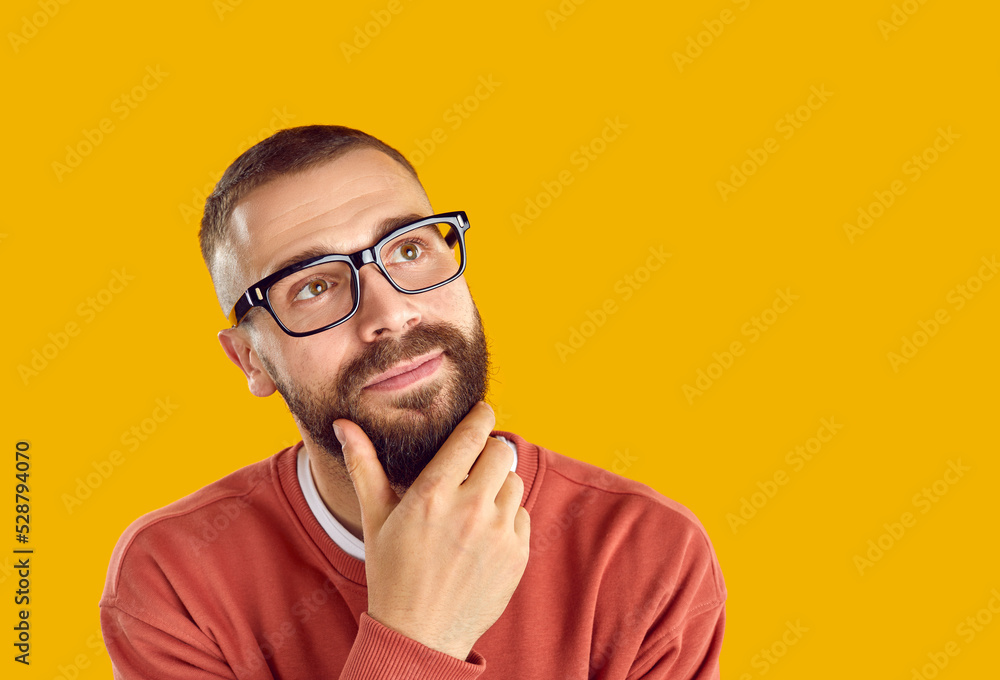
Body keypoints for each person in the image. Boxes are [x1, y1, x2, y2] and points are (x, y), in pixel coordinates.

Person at [99, 124, 728, 679]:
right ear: (251, 360)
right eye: (314, 286)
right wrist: (419, 636)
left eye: (408, 249)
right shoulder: (174, 582)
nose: (391, 313)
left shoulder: (647, 553)